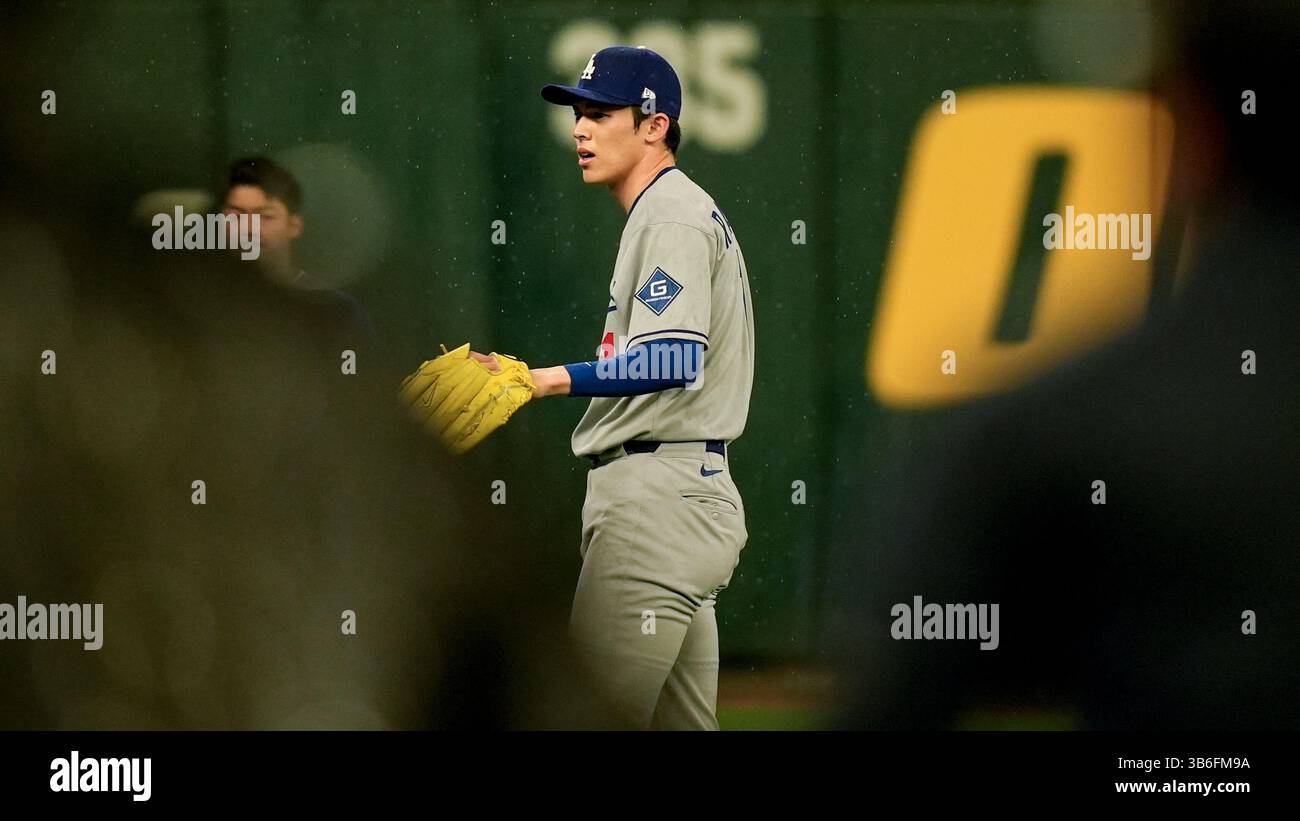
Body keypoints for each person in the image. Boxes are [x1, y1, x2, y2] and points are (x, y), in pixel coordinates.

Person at [475, 46, 755, 729]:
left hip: (655, 506)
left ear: (655, 124)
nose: (580, 128)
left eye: (600, 113)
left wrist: (547, 379)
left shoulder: (672, 215)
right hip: (688, 494)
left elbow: (673, 357)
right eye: (578, 112)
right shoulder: (672, 211)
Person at [218, 156, 372, 342]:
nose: (249, 228)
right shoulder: (194, 305)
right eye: (236, 215)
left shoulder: (335, 311)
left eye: (266, 216)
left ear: (294, 226)